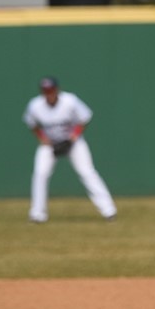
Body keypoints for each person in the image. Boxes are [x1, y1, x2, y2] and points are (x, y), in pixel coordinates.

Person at [23, 77, 117, 223]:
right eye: (45, 91)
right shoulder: (35, 105)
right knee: (40, 174)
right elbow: (32, 124)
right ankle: (37, 214)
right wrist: (43, 140)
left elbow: (84, 118)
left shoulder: (70, 101)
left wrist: (72, 138)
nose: (49, 93)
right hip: (50, 144)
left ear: (57, 90)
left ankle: (109, 211)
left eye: (51, 90)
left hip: (73, 142)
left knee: (87, 172)